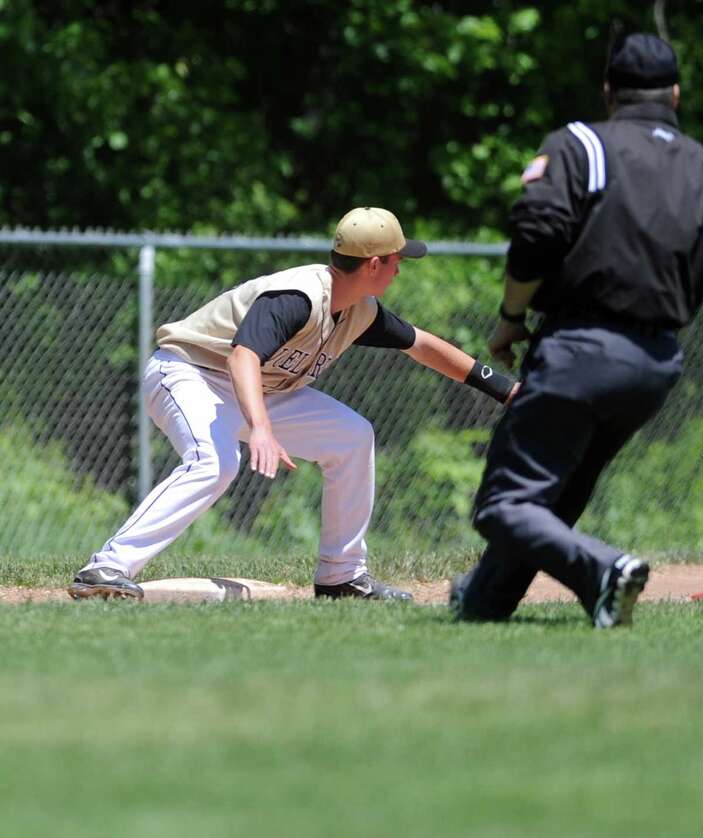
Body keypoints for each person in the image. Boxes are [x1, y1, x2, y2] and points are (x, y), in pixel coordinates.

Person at [450, 32, 703, 628]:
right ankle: (484, 600)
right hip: (655, 362)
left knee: (503, 504)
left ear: (609, 91)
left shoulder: (581, 146)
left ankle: (605, 571)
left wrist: (510, 319)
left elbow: (535, 237)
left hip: (581, 347)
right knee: (557, 494)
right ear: (676, 94)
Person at [69, 207, 517, 601]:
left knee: (352, 436)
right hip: (189, 374)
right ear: (374, 263)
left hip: (258, 390)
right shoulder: (297, 297)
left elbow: (421, 345)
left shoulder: (359, 308)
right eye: (397, 260)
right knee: (216, 462)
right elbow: (243, 354)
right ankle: (106, 567)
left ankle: (342, 576)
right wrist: (260, 428)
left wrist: (503, 389)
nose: (400, 269)